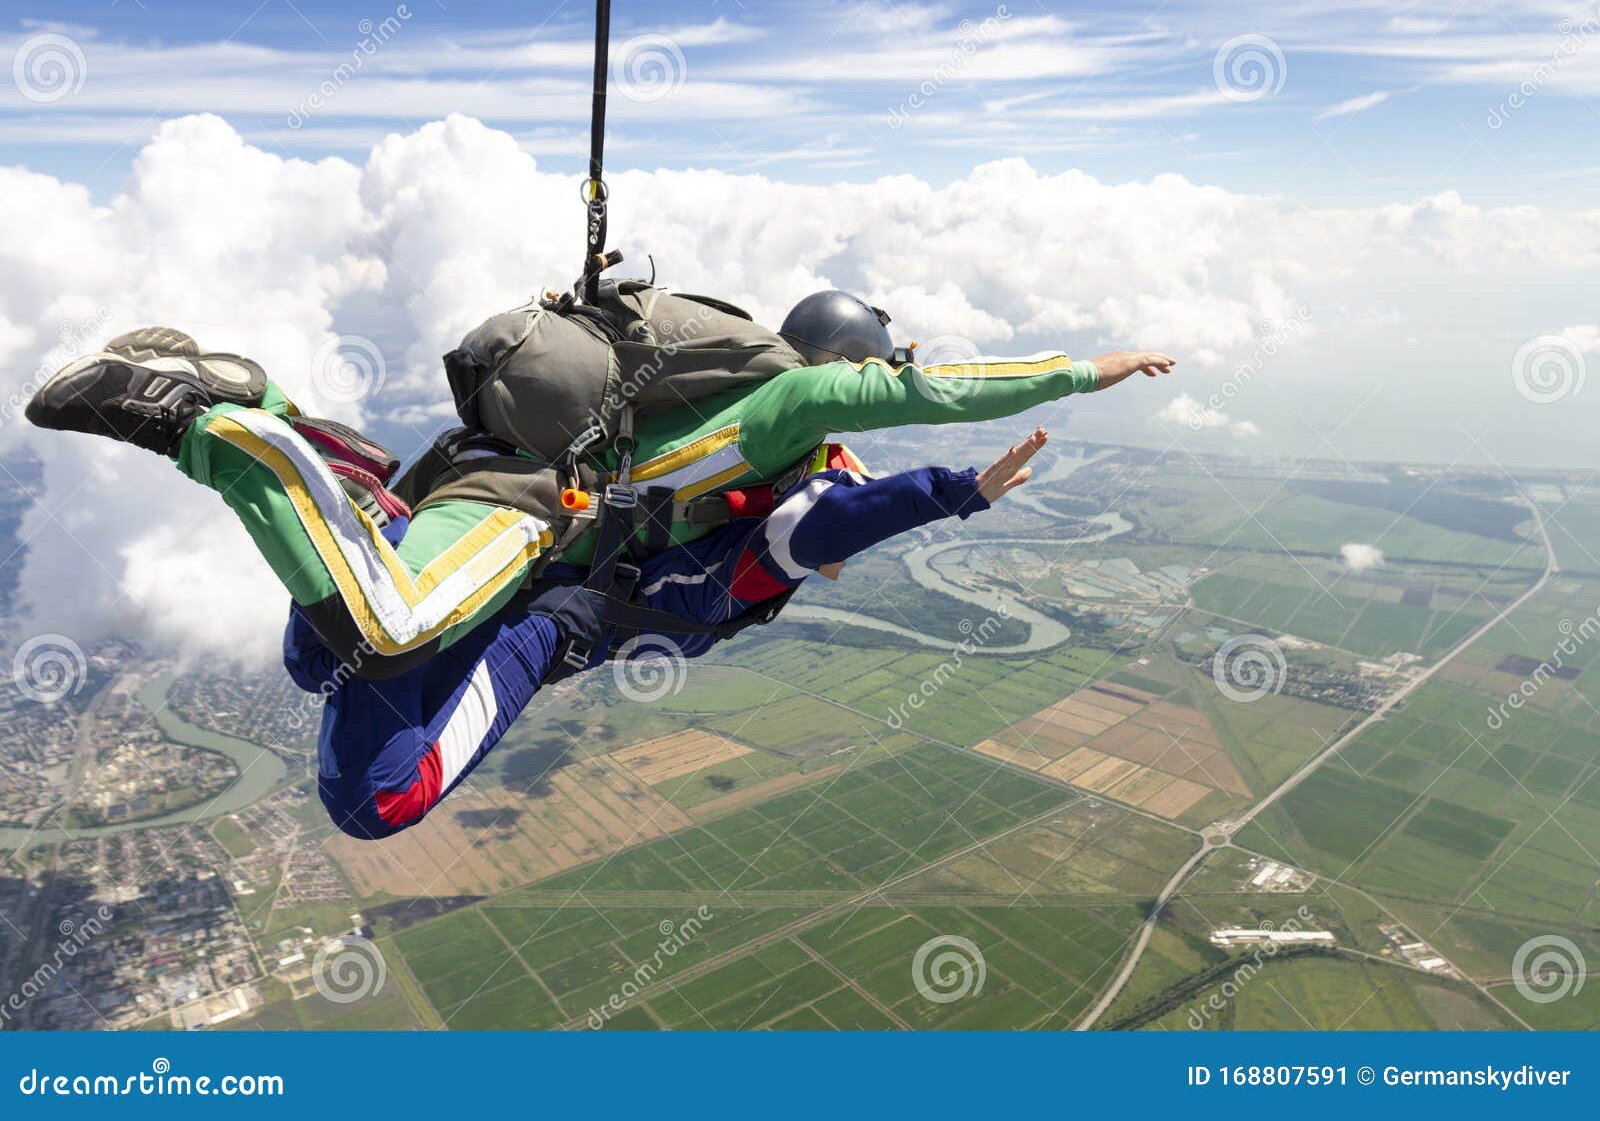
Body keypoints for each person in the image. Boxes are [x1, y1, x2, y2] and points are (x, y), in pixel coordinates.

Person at [26, 311, 1175, 679]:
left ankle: (260, 395)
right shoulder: (790, 404)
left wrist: (936, 495)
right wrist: (1089, 369)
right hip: (523, 505)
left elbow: (830, 502)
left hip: (485, 477)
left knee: (312, 658)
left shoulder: (754, 434)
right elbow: (930, 389)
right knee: (385, 628)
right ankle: (202, 425)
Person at [302, 427, 1049, 839]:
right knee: (381, 797)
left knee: (317, 661)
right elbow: (813, 526)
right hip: (543, 630)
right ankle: (361, 530)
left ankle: (367, 518)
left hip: (516, 592)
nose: (837, 561)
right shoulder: (762, 549)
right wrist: (955, 494)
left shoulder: (718, 505)